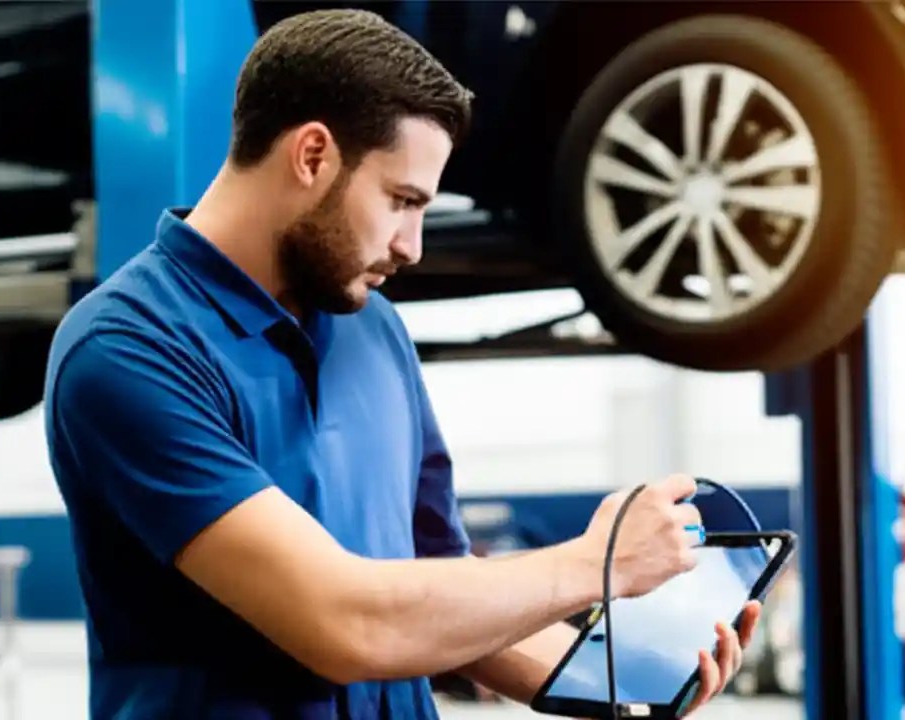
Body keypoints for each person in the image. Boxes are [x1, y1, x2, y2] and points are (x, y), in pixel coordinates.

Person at [42, 9, 761, 720]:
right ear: (313, 155)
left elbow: (440, 587)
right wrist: (594, 564)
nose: (413, 245)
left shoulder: (372, 327)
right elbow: (346, 623)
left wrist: (627, 686)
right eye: (402, 201)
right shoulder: (128, 349)